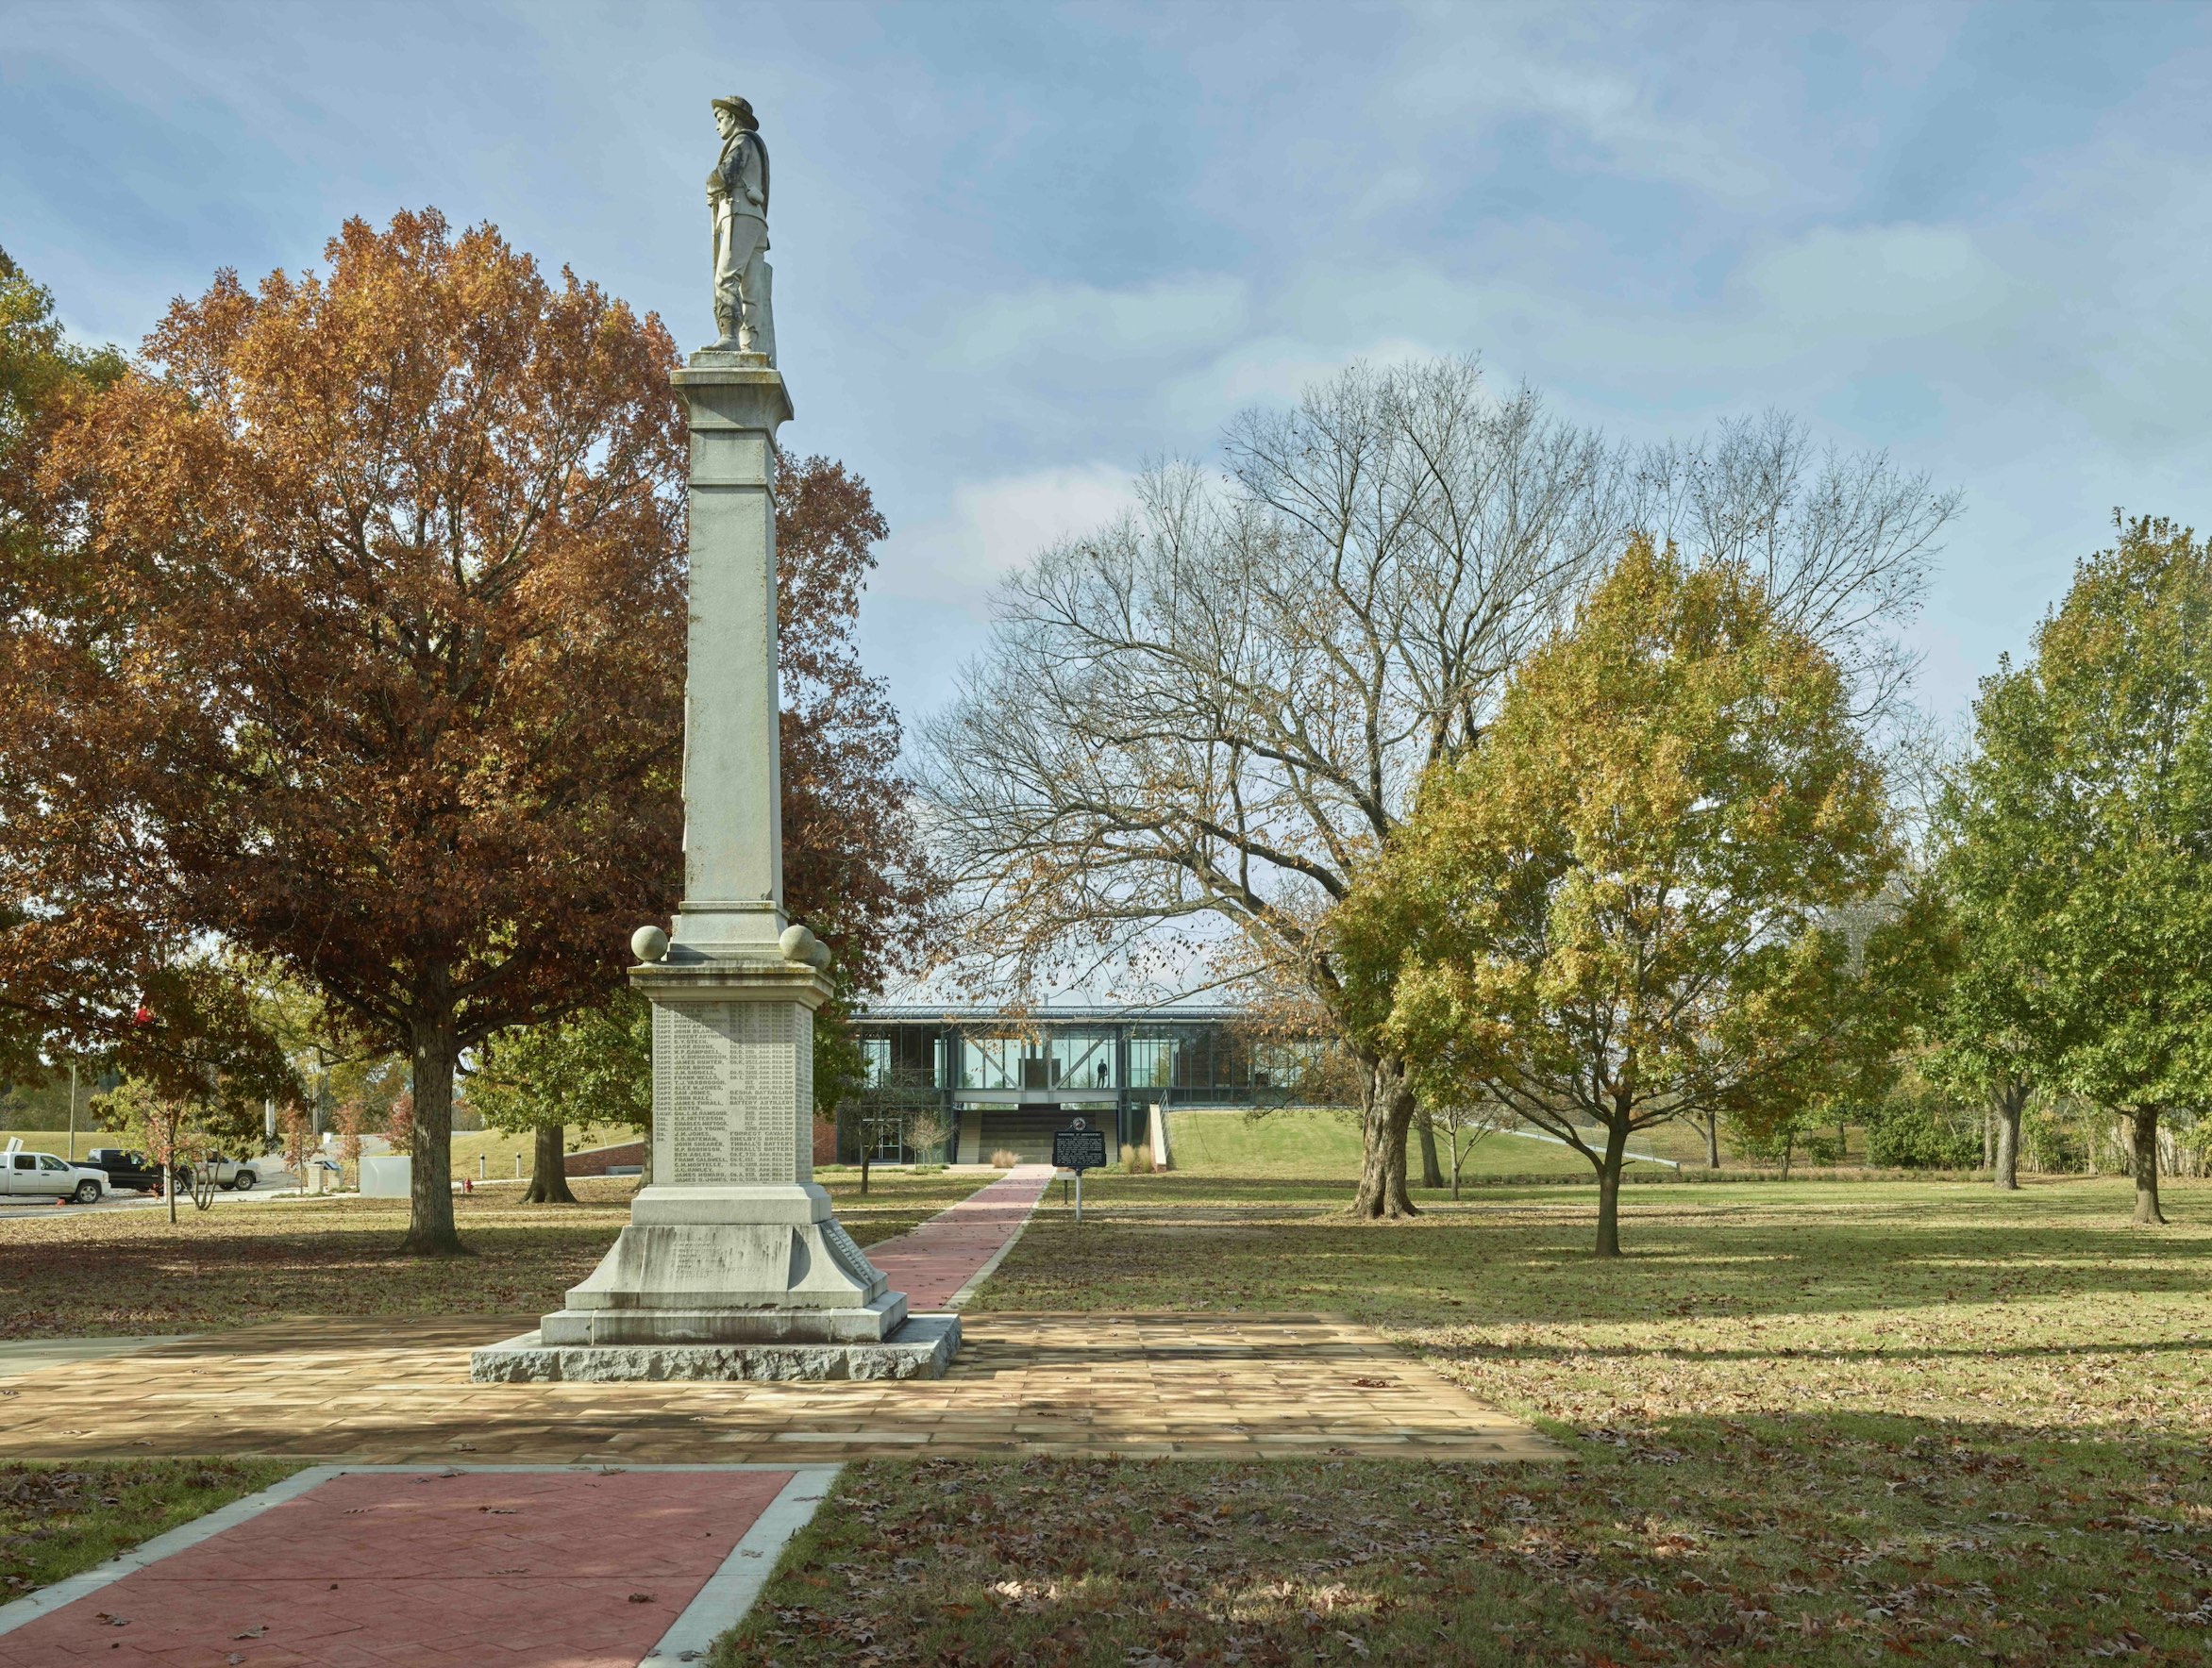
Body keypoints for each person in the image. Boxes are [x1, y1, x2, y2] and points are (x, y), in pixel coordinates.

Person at [708, 95, 775, 361]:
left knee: (726, 277)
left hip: (739, 212)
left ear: (732, 118)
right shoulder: (754, 144)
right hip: (755, 220)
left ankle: (729, 337)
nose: (717, 126)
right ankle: (751, 346)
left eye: (720, 119)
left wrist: (710, 184)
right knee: (751, 288)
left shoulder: (742, 141)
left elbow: (726, 175)